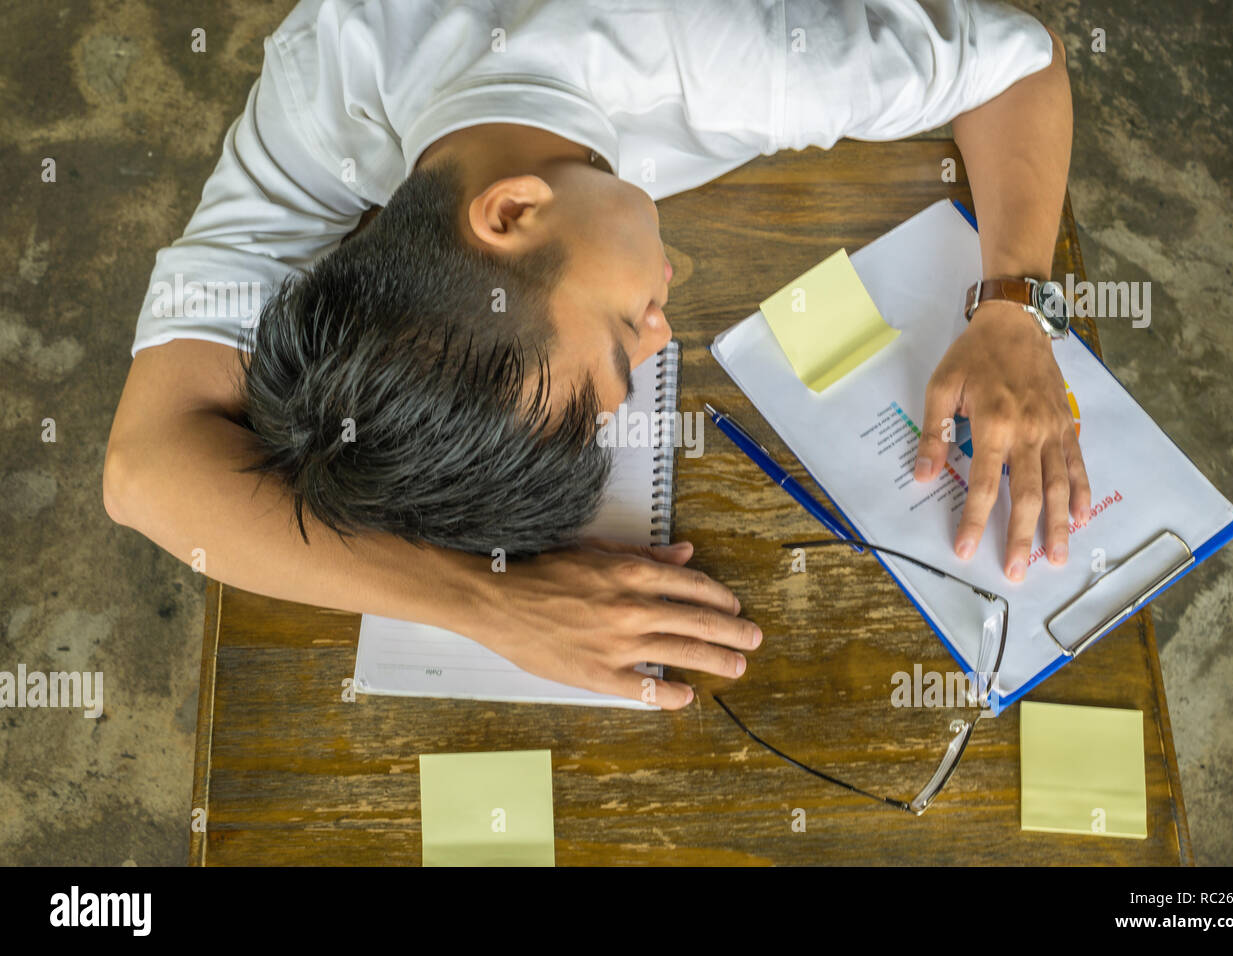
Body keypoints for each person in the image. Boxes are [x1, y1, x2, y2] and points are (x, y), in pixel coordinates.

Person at [105, 0, 1090, 709]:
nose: (664, 332)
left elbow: (1026, 61)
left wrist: (1013, 302)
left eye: (625, 335)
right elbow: (146, 469)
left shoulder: (755, 58)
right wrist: (488, 603)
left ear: (514, 211)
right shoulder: (333, 72)